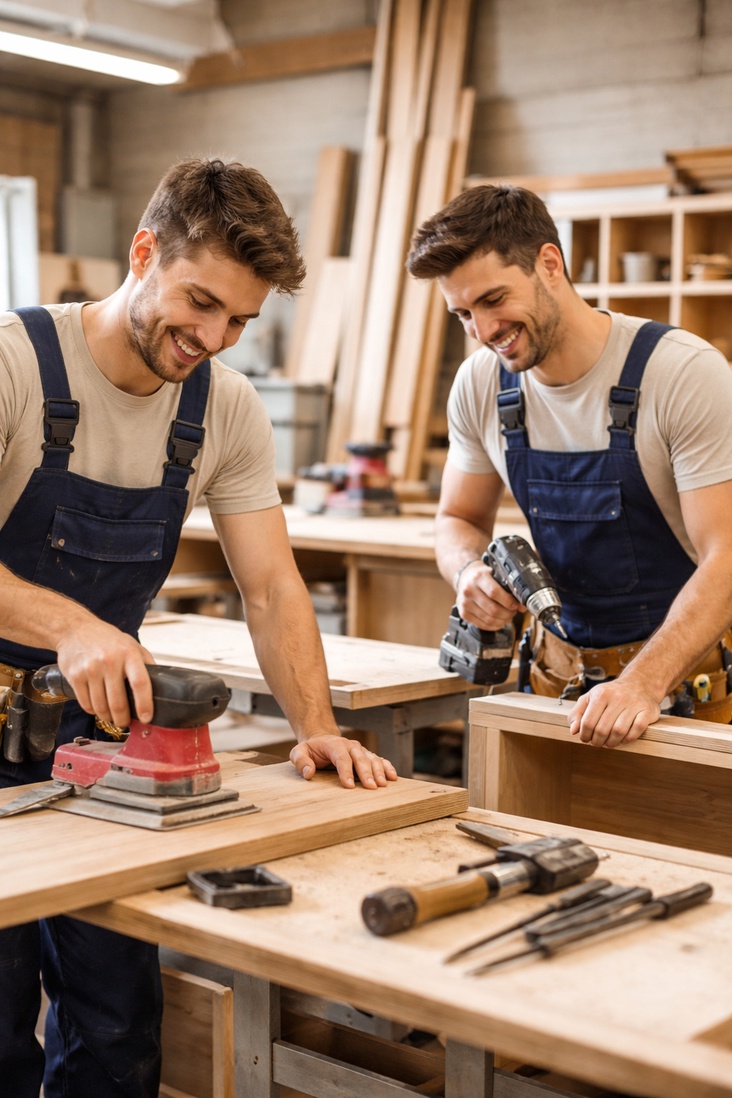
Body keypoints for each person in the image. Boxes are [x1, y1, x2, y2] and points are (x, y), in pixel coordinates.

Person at [0, 156, 397, 1098]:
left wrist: (316, 729)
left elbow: (272, 587)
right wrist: (74, 627)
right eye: (201, 303)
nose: (212, 339)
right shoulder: (14, 367)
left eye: (240, 322)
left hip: (101, 751)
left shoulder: (223, 406)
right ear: (144, 252)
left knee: (117, 1028)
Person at [406, 183, 732, 749]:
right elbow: (457, 519)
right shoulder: (482, 385)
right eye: (463, 314)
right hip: (556, 681)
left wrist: (642, 684)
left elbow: (726, 558)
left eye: (493, 300)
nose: (483, 332)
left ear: (549, 264)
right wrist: (466, 574)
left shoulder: (681, 373)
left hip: (685, 687)